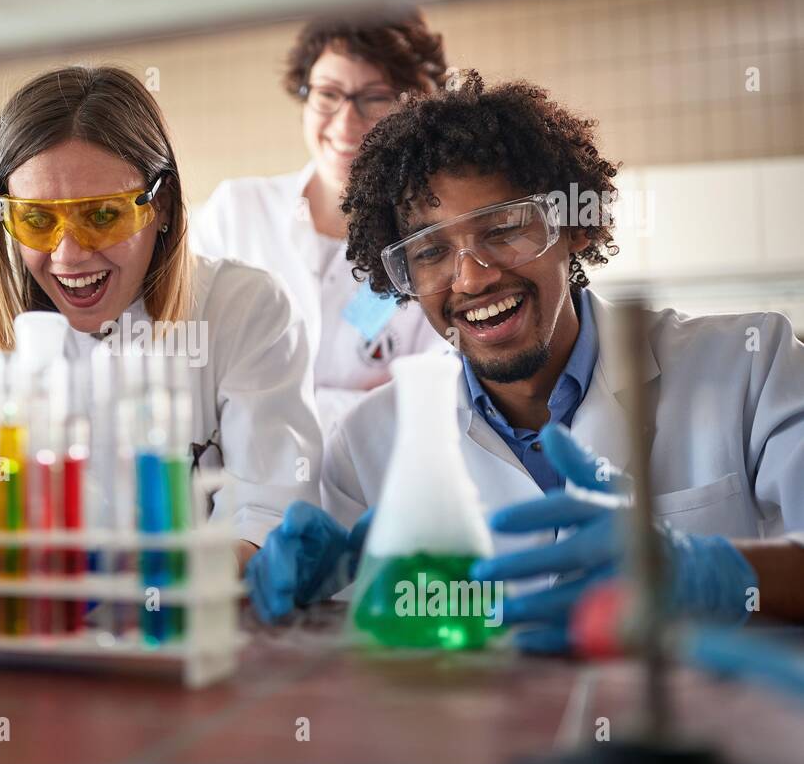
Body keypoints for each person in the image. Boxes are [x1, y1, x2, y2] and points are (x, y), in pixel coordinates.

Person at [248, 72, 804, 641]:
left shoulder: (750, 367)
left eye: (504, 228)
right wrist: (315, 601)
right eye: (432, 251)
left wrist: (707, 573)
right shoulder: (371, 443)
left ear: (574, 227)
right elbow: (371, 652)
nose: (472, 277)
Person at [0, 65, 322, 570]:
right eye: (36, 219)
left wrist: (147, 595)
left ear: (160, 205)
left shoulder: (241, 308)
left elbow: (267, 510)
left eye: (102, 215)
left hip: (185, 632)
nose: (69, 256)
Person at [194, 12, 449, 429]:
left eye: (375, 97)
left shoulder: (432, 243)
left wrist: (273, 402)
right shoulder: (236, 211)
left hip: (373, 487)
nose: (346, 122)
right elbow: (197, 371)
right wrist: (352, 404)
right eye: (328, 94)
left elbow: (429, 398)